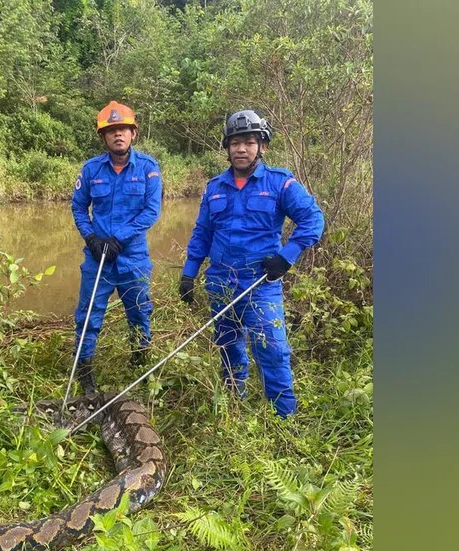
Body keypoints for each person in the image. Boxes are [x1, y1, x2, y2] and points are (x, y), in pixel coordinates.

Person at [178, 110, 325, 418]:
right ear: (227, 147)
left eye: (248, 142)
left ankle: (283, 419)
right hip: (220, 283)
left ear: (263, 146)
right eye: (234, 143)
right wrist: (189, 274)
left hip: (260, 285)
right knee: (228, 349)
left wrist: (286, 257)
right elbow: (202, 233)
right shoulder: (214, 188)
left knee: (273, 351)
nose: (241, 149)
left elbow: (312, 220)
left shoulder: (280, 184)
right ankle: (234, 405)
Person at [70, 100, 163, 393]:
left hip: (133, 257)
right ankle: (84, 374)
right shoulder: (90, 169)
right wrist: (91, 238)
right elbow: (78, 205)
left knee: (139, 312)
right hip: (98, 259)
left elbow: (151, 210)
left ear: (133, 133)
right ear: (103, 136)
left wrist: (119, 238)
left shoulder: (149, 168)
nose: (118, 134)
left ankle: (140, 367)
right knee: (88, 315)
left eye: (123, 128)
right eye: (111, 130)